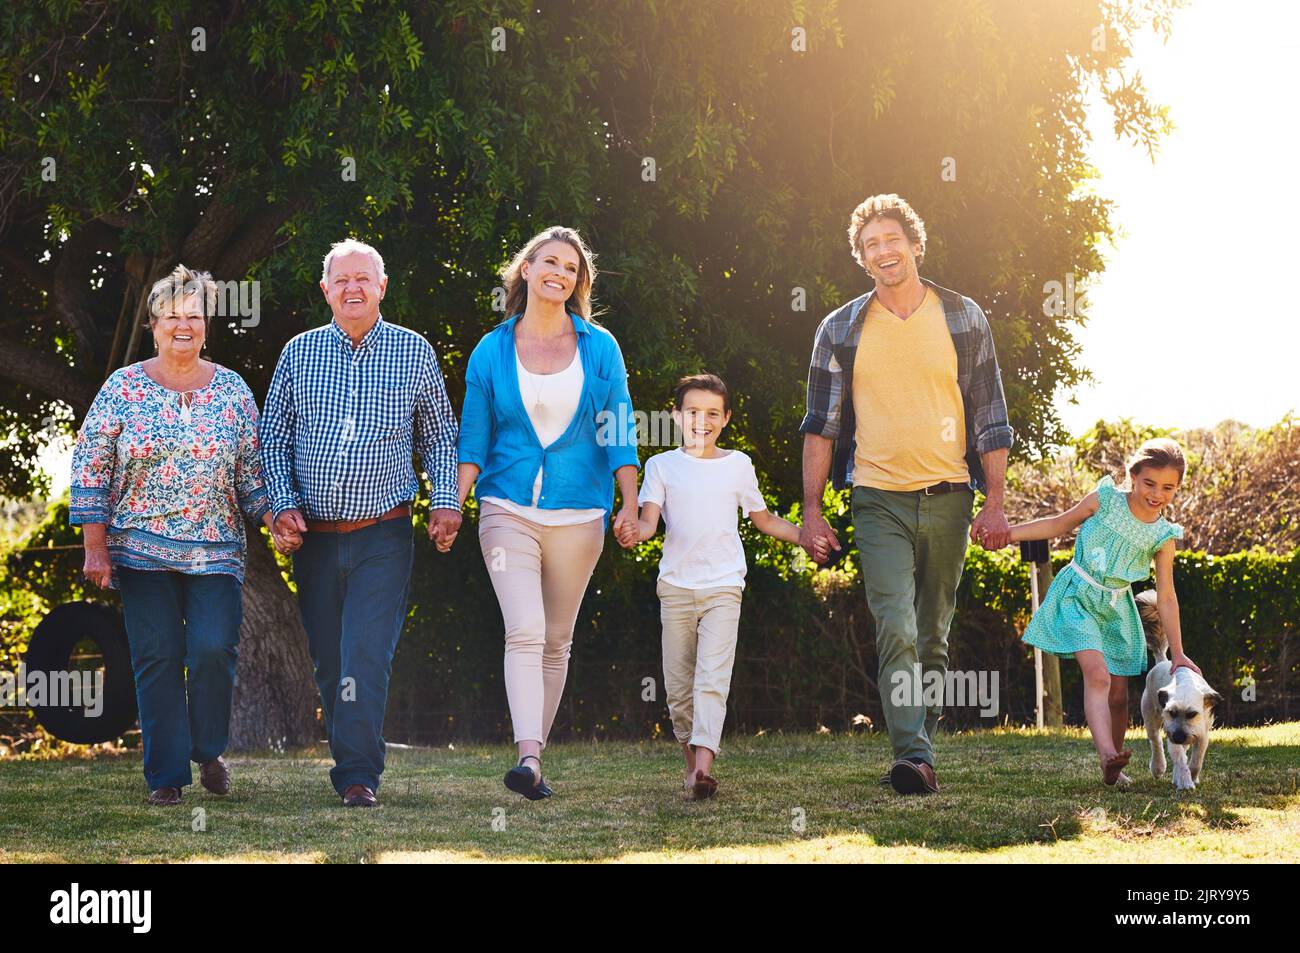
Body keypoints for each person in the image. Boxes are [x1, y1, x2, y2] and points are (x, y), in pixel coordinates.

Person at [798, 194, 1015, 795]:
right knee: (894, 623)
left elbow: (990, 417)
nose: (883, 251)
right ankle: (913, 755)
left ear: (916, 246)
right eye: (870, 245)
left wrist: (994, 502)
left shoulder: (963, 317)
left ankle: (921, 741)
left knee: (933, 634)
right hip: (877, 498)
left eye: (892, 239)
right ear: (862, 260)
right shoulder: (839, 329)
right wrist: (812, 511)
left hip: (949, 496)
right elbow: (821, 425)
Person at [71, 265, 289, 805]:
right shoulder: (122, 388)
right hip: (138, 549)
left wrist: (275, 519)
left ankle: (209, 750)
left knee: (214, 647)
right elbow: (91, 468)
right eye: (172, 316)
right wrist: (94, 548)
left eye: (193, 315)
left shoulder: (233, 391)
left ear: (207, 324)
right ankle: (166, 777)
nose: (183, 325)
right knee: (158, 655)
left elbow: (252, 476)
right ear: (153, 324)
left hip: (216, 550)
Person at [259, 239, 461, 808]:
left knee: (366, 653)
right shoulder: (298, 354)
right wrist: (282, 505)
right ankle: (352, 759)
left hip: (384, 534)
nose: (353, 287)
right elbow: (272, 441)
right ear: (326, 290)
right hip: (316, 540)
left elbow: (439, 437)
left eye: (363, 278)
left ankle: (357, 775)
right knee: (329, 657)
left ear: (381, 288)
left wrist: (445, 500)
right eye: (342, 279)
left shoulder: (414, 352)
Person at [456, 226, 639, 800]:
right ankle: (528, 758)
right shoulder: (492, 349)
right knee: (526, 630)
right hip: (506, 507)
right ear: (527, 269)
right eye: (549, 262)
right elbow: (474, 439)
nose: (560, 273)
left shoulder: (600, 347)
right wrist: (452, 505)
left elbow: (619, 428)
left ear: (578, 282)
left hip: (580, 513)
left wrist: (629, 501)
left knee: (556, 639)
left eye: (571, 267)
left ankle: (536, 756)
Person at [632, 373, 812, 799]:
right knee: (678, 691)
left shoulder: (738, 465)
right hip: (675, 588)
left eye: (713, 413)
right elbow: (647, 523)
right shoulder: (660, 466)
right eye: (693, 411)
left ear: (726, 418)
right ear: (676, 416)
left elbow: (763, 520)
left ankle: (703, 770)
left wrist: (807, 535)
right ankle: (691, 768)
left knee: (712, 678)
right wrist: (630, 530)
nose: (702, 420)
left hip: (723, 588)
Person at [1006, 438, 1200, 785]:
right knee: (1097, 676)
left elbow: (1167, 596)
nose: (1157, 493)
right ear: (1133, 476)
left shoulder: (1162, 536)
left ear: (1178, 488)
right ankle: (1107, 755)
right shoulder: (1106, 500)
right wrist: (1008, 533)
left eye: (1168, 487)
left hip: (1116, 609)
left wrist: (1179, 653)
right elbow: (1056, 525)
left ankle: (1114, 768)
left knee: (1119, 694)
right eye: (1149, 483)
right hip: (1078, 597)